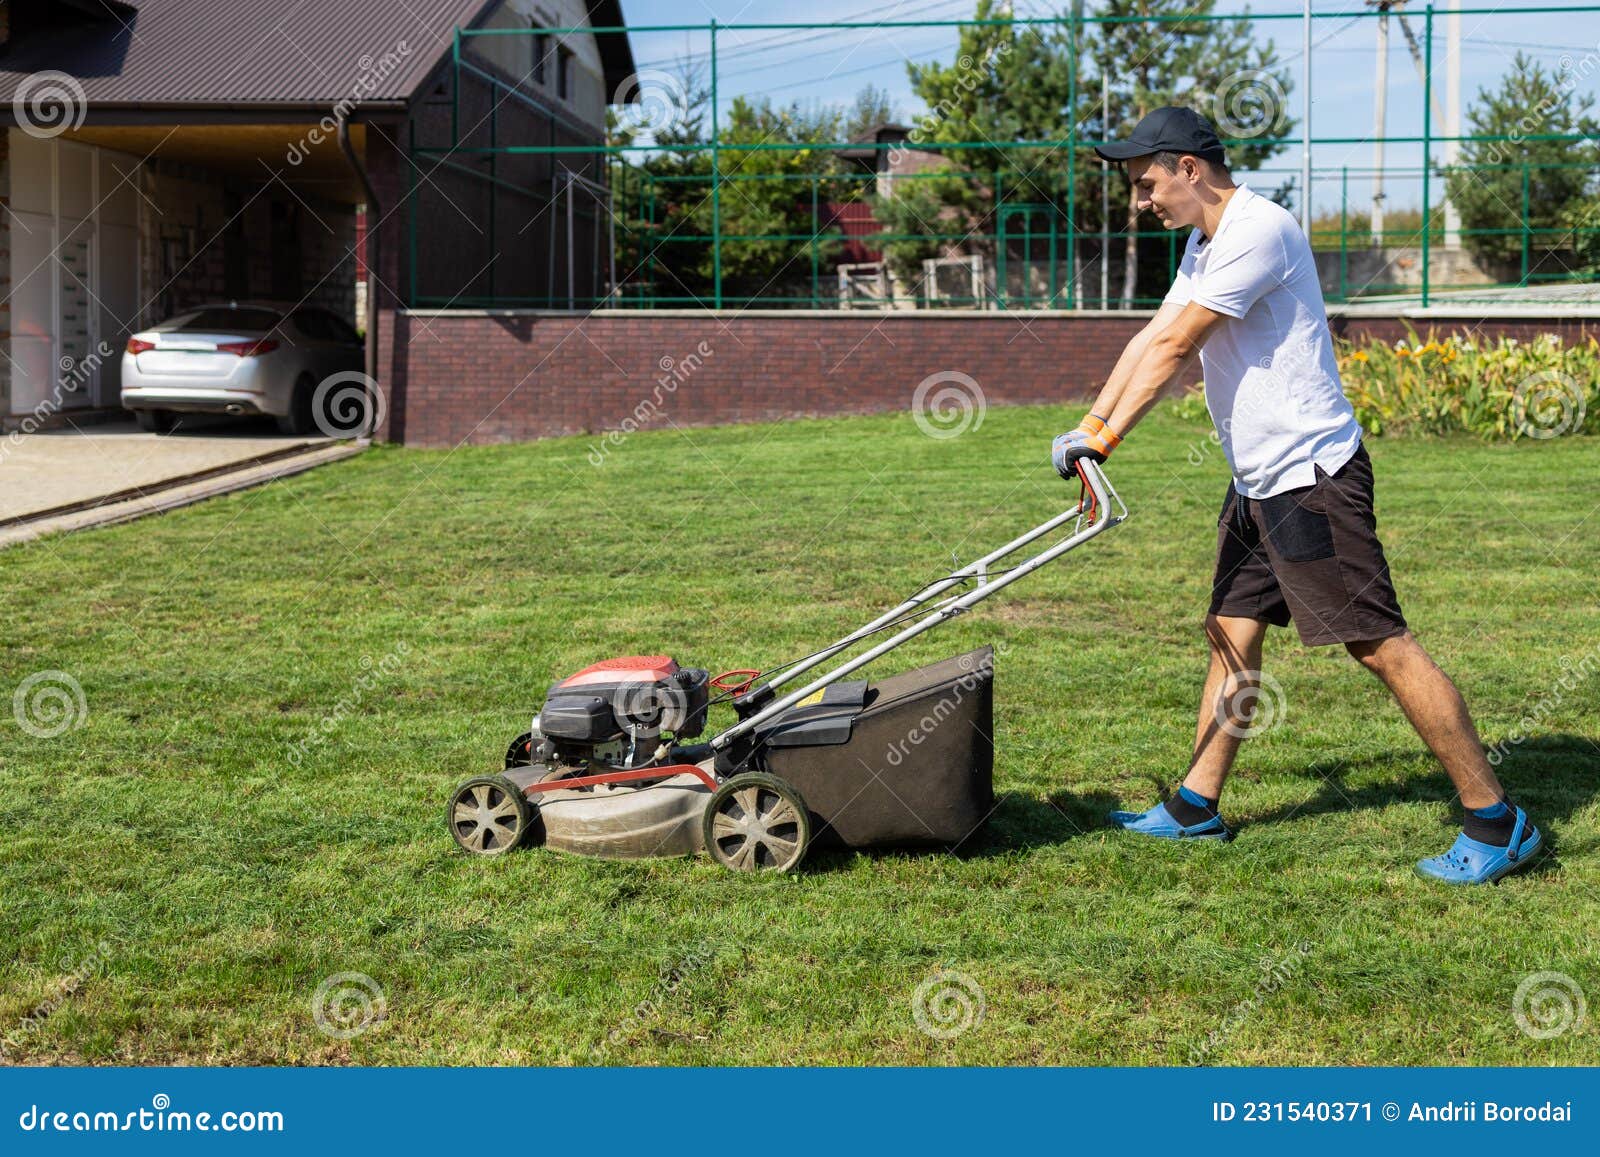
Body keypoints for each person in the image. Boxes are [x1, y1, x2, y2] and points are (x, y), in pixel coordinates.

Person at [1051, 106, 1541, 885]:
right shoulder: (1204, 241)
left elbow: (1181, 346)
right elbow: (1151, 334)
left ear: (1189, 168)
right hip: (1258, 481)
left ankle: (1496, 819)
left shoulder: (1258, 230)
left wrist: (1108, 441)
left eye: (1146, 184)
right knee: (1229, 629)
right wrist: (1088, 423)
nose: (1140, 201)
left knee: (1377, 643)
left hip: (1309, 480)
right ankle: (1193, 805)